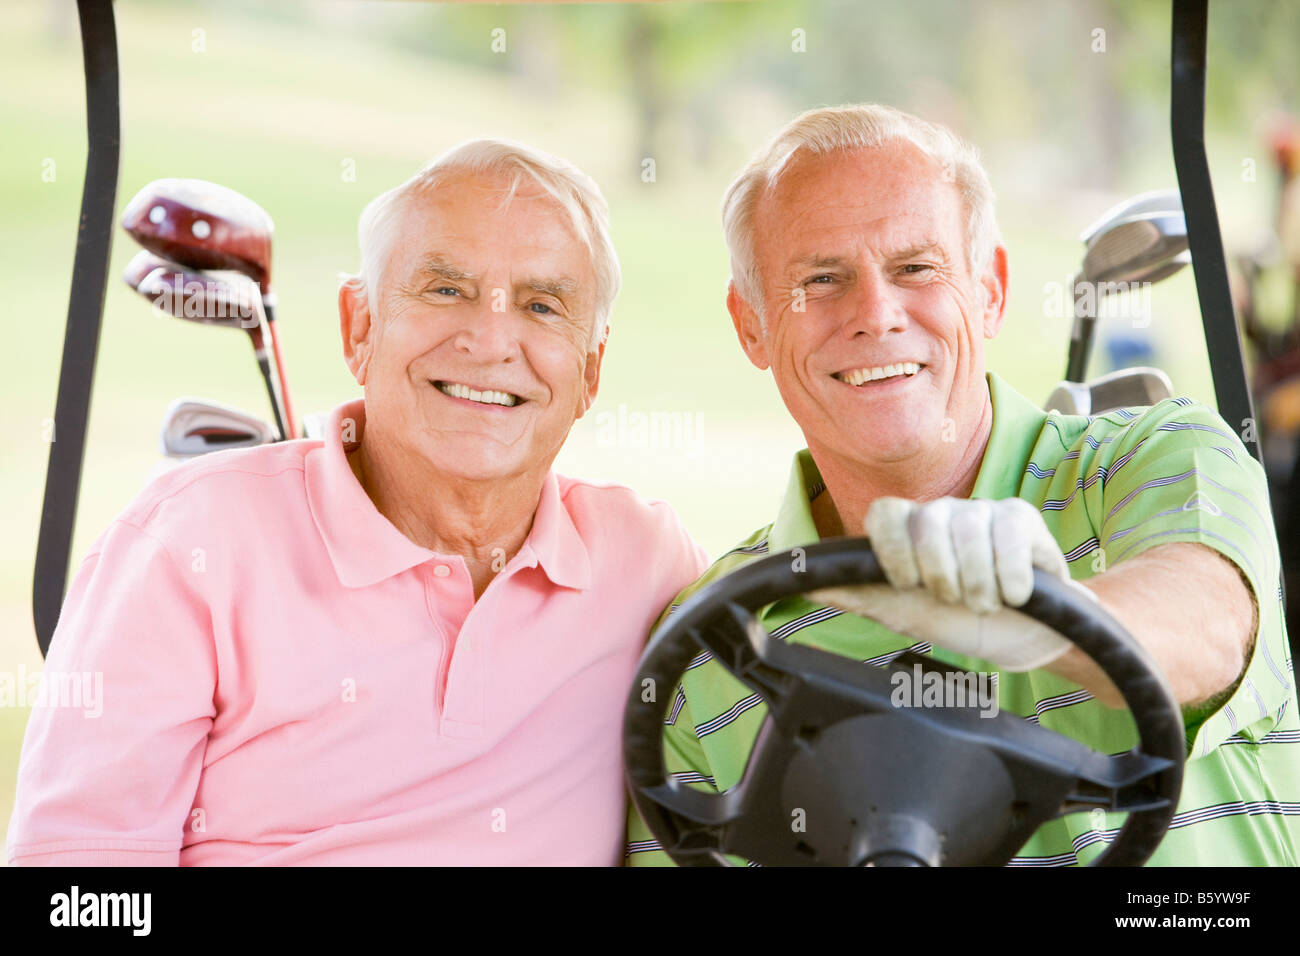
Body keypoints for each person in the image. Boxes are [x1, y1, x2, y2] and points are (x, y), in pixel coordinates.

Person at [625, 104, 1300, 866]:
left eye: (915, 268)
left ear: (990, 292)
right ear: (750, 325)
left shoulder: (1162, 453)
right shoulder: (708, 642)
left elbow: (1200, 628)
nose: (877, 314)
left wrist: (1047, 623)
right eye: (821, 279)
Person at [8, 139, 707, 866]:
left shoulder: (648, 563)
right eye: (446, 290)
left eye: (541, 305)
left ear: (591, 371)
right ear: (360, 327)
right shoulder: (186, 548)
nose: (492, 339)